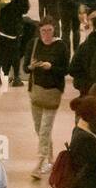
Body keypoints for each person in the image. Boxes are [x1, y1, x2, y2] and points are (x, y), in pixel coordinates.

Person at [28, 17, 69, 178]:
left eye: (49, 30)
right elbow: (25, 65)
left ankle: (40, 162)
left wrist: (51, 67)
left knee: (45, 129)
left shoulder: (61, 47)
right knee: (39, 128)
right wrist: (31, 66)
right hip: (36, 91)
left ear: (54, 30)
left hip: (53, 91)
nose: (46, 34)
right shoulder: (34, 44)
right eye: (43, 30)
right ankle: (49, 158)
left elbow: (66, 69)